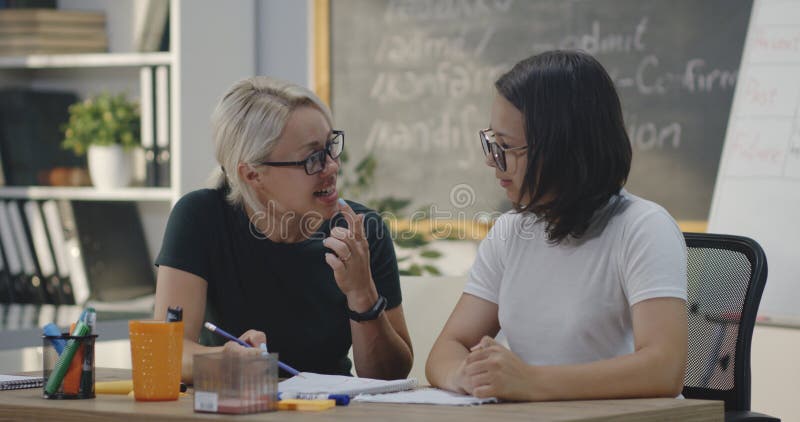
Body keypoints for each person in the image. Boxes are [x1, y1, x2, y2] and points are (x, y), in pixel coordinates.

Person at [425, 50, 688, 401]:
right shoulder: (510, 232)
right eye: (492, 142)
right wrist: (467, 375)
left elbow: (664, 368)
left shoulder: (643, 228)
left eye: (505, 146)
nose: (492, 160)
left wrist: (532, 382)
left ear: (560, 147)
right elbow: (447, 348)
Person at [153, 76, 413, 383]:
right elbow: (163, 353)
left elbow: (390, 375)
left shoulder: (362, 230)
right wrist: (224, 359)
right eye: (313, 158)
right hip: (234, 408)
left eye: (331, 147)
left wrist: (362, 294)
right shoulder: (201, 217)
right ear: (253, 173)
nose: (332, 166)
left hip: (331, 412)